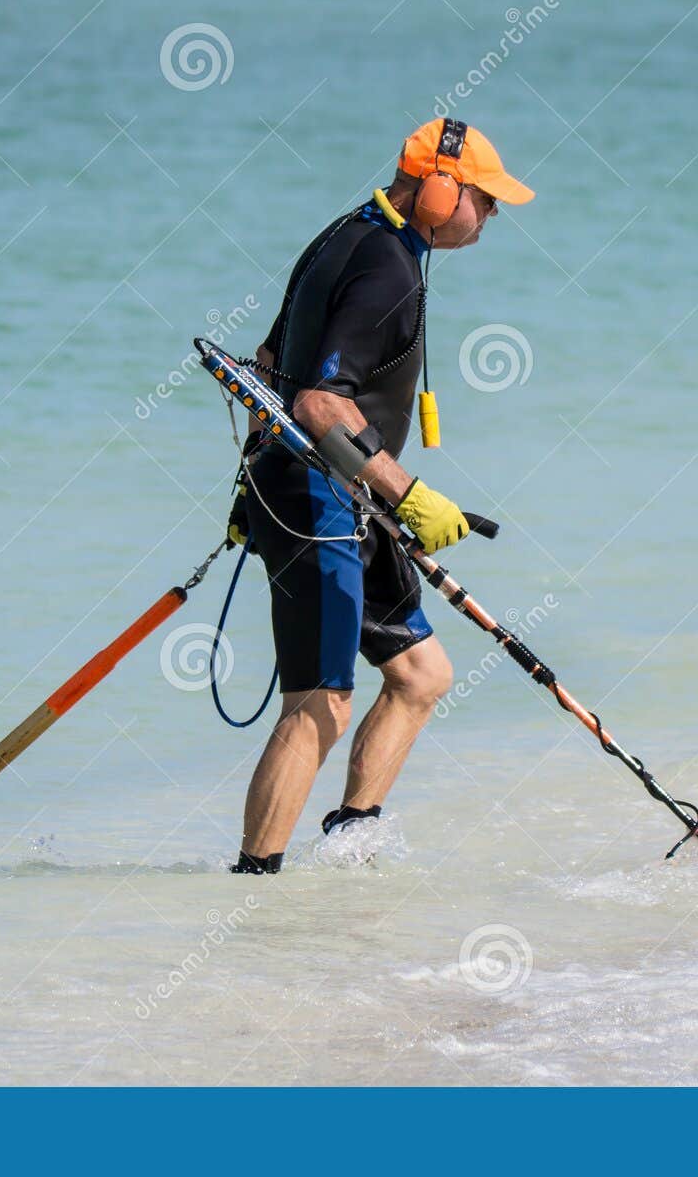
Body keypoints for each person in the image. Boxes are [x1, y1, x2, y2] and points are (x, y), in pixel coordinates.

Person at [224, 118, 535, 873]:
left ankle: (350, 850)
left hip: (340, 495)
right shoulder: (388, 268)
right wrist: (411, 494)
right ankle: (253, 888)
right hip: (319, 502)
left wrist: (257, 477)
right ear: (438, 189)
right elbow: (318, 404)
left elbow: (268, 361)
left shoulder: (350, 233)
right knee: (320, 703)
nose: (490, 216)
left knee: (421, 675)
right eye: (483, 200)